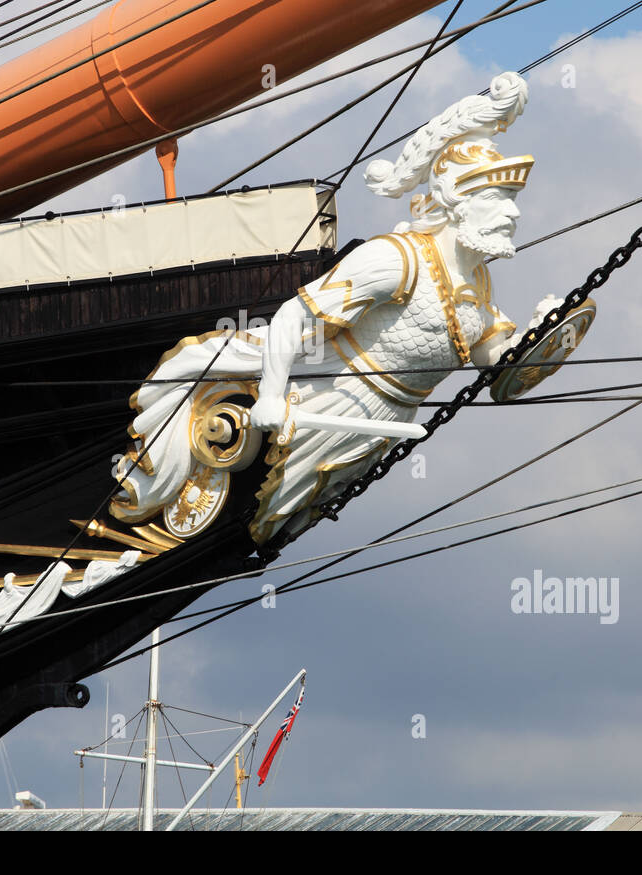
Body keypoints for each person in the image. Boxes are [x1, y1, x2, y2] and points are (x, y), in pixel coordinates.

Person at [112, 73, 560, 545]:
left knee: (267, 533)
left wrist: (541, 333)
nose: (512, 213)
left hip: (375, 428)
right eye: (497, 199)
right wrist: (269, 395)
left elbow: (494, 361)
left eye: (512, 200)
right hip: (323, 401)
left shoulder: (476, 281)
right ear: (456, 202)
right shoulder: (397, 260)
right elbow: (293, 318)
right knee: (243, 524)